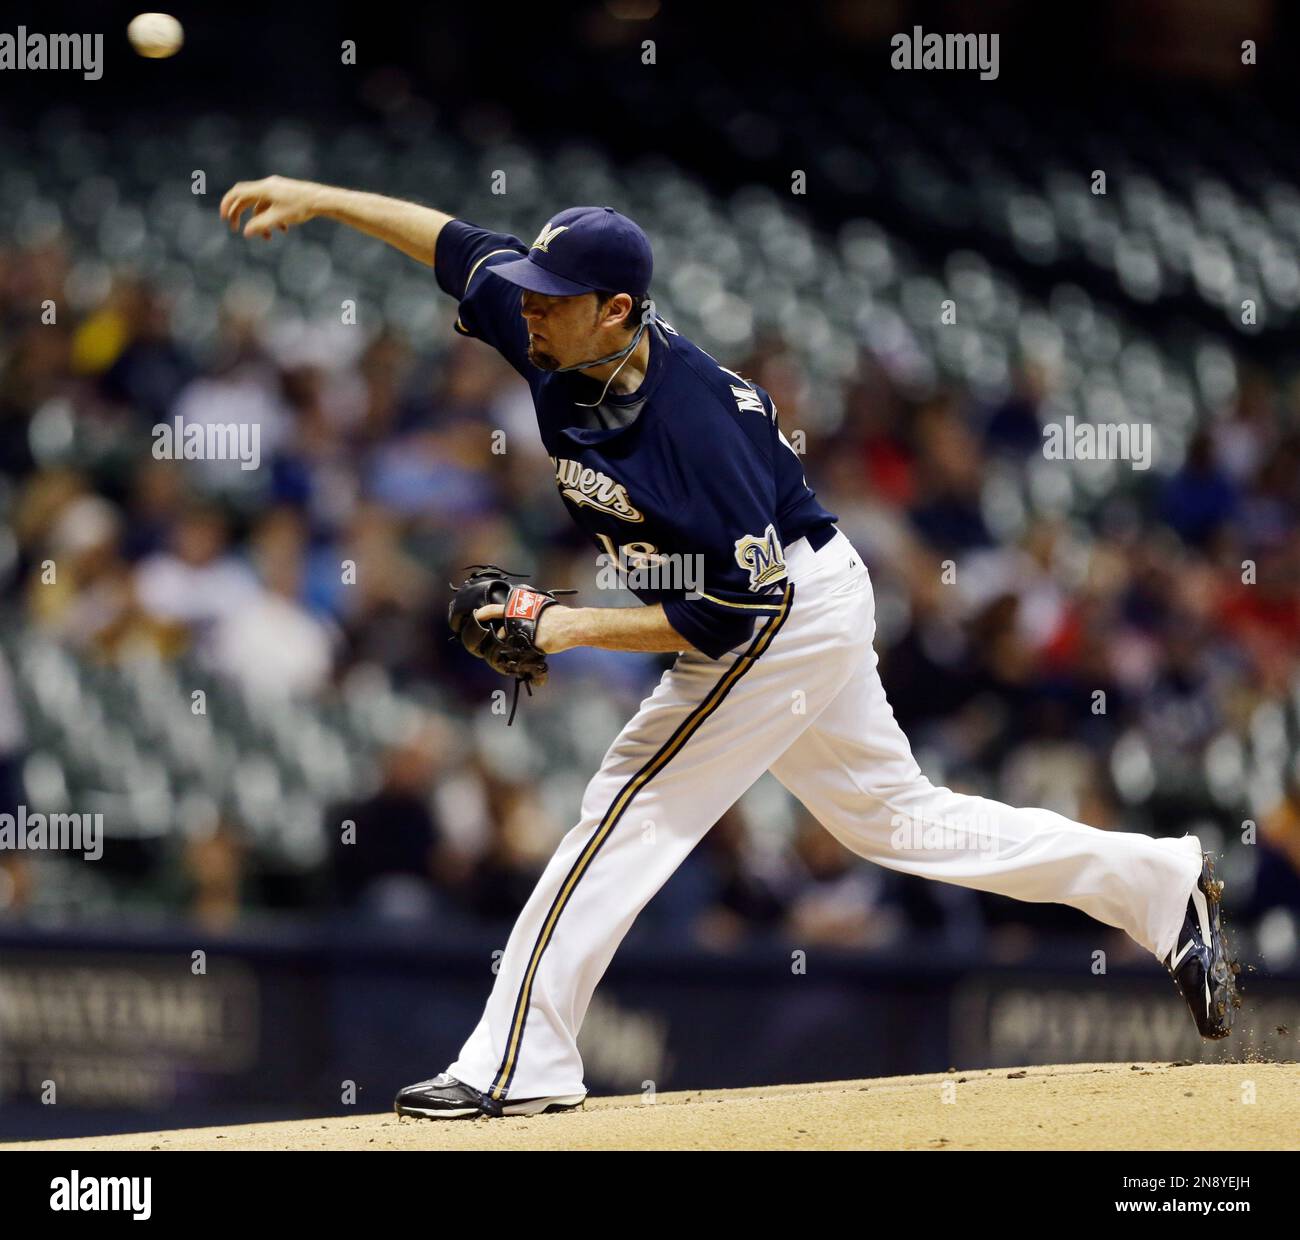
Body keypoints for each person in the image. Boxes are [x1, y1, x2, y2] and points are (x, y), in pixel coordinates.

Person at [219, 177, 1240, 1120]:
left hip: (782, 602)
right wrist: (317, 199)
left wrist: (562, 624)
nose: (528, 307)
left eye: (553, 296)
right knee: (900, 821)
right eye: (530, 291)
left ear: (618, 309)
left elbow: (731, 618)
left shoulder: (688, 427)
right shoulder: (547, 327)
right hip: (802, 592)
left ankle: (516, 1061)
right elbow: (453, 245)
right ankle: (1156, 883)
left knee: (625, 804)